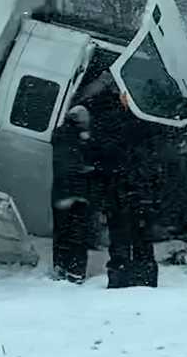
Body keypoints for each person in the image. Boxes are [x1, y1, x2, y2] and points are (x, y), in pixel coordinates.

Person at [51, 71, 159, 289]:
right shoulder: (132, 125)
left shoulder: (75, 136)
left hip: (114, 192)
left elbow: (97, 159)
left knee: (108, 238)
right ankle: (140, 279)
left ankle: (96, 275)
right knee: (136, 239)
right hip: (126, 192)